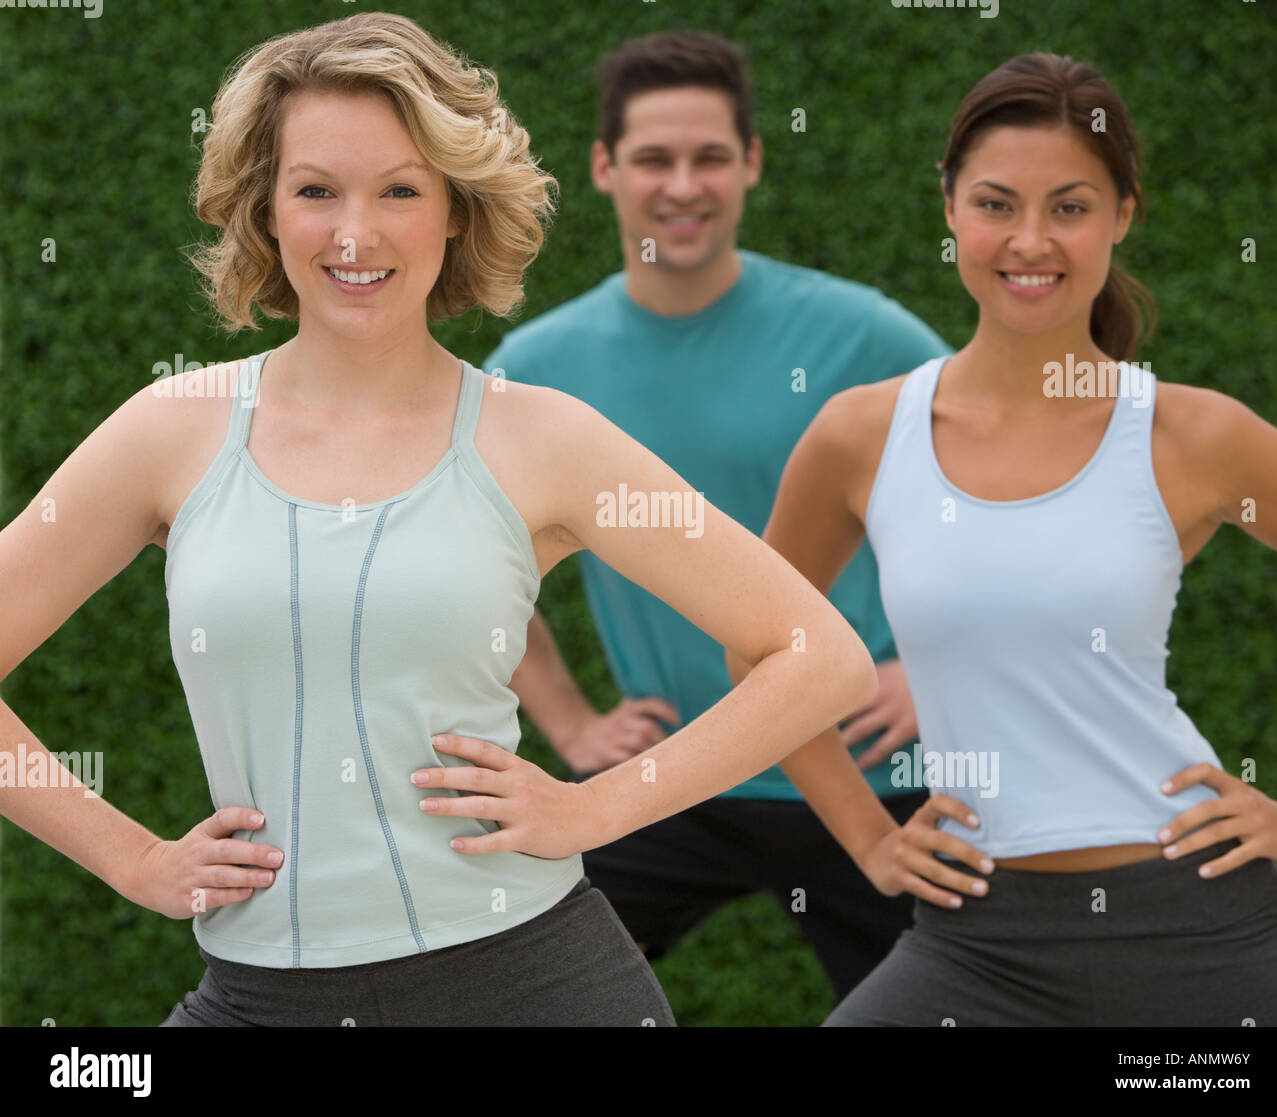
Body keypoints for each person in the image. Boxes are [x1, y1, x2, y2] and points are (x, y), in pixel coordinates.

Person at [0, 12, 878, 1028]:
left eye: (401, 191)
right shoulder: (170, 430)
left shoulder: (541, 436)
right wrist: (133, 858)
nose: (354, 234)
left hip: (534, 988)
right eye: (315, 190)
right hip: (256, 995)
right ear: (264, 208)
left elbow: (820, 655)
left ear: (456, 210)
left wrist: (595, 805)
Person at [730, 51, 1277, 1026]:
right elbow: (756, 641)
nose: (1030, 240)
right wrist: (870, 839)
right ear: (950, 207)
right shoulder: (861, 434)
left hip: (1197, 922)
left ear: (1121, 216)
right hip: (975, 940)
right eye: (996, 203)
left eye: (1070, 207)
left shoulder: (1191, 433)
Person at [485, 30, 951, 1005]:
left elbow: (1005, 490)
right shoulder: (535, 369)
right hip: (669, 781)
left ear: (752, 162)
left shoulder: (862, 333)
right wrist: (570, 723)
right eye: (654, 158)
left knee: (956, 1010)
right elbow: (468, 563)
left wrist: (936, 665)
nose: (682, 185)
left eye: (709, 157)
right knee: (518, 997)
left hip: (871, 772)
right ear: (605, 168)